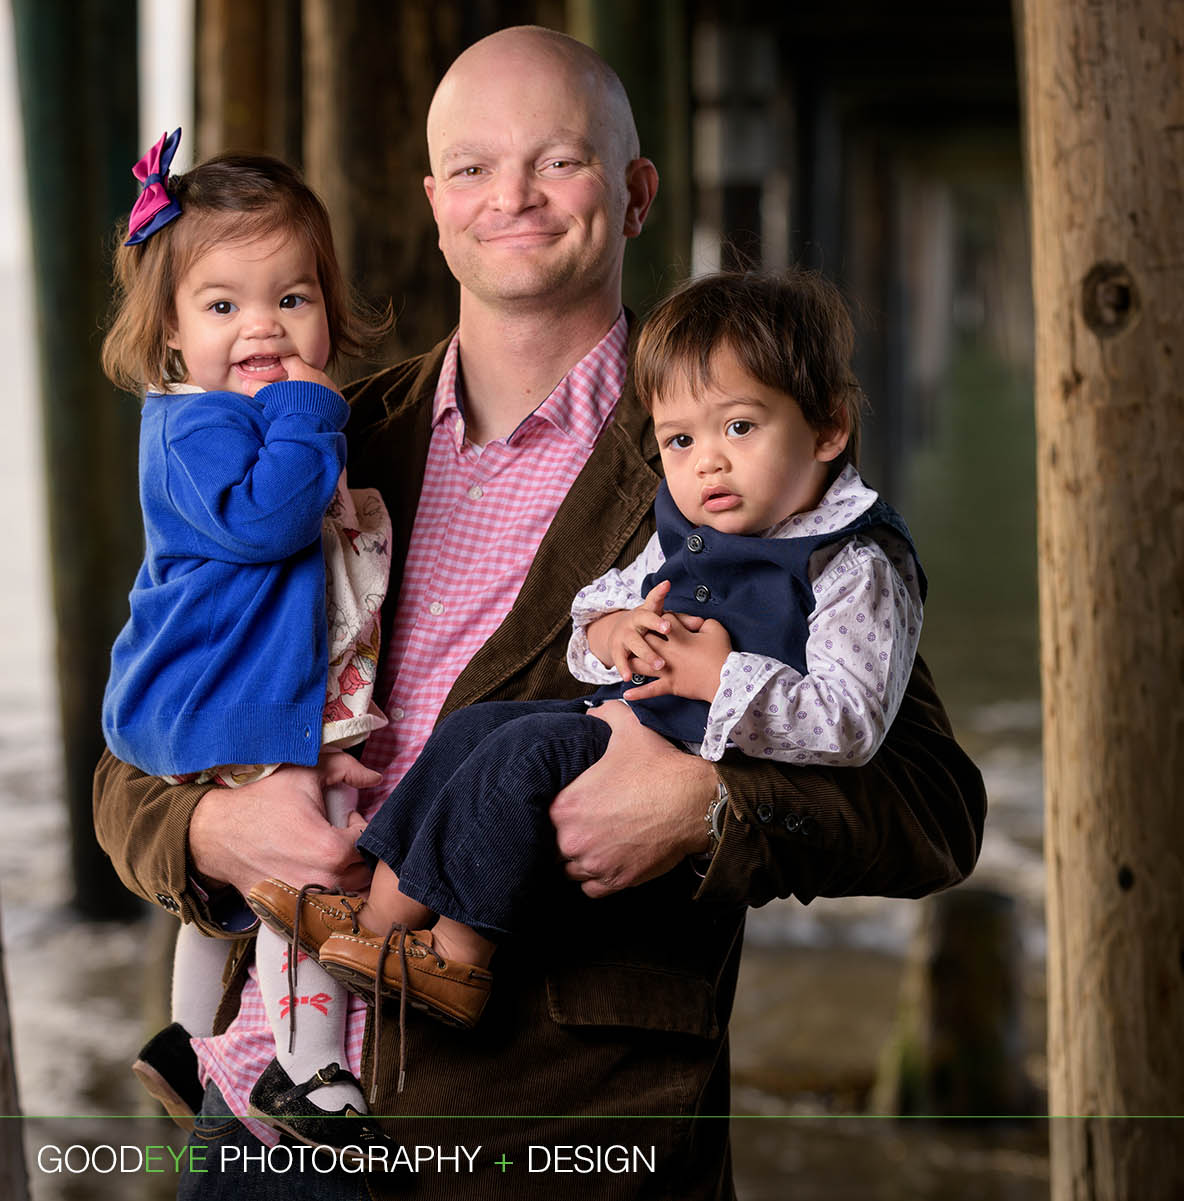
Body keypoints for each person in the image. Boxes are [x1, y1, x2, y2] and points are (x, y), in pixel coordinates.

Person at [92, 24, 983, 1201]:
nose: (510, 195)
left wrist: (706, 807)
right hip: (258, 1124)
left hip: (551, 1142)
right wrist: (214, 836)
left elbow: (932, 805)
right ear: (434, 200)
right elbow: (134, 753)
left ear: (635, 191)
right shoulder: (315, 443)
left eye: (556, 160)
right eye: (472, 167)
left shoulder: (731, 456)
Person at [247, 270, 925, 1047]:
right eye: (680, 440)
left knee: (524, 761)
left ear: (829, 428)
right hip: (623, 710)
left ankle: (459, 954)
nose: (708, 463)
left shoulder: (851, 562)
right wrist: (616, 633)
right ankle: (376, 913)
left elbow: (858, 724)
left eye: (740, 428)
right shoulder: (688, 524)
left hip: (667, 753)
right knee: (475, 729)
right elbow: (602, 601)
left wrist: (716, 702)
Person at [96, 134, 395, 1155]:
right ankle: (309, 1068)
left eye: (293, 298)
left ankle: (188, 1040)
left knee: (222, 899)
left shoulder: (234, 415)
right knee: (301, 884)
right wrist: (311, 405)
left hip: (218, 689)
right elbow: (270, 523)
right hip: (216, 696)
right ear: (171, 333)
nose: (262, 326)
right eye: (223, 305)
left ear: (327, 302)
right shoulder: (200, 426)